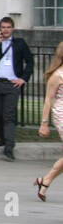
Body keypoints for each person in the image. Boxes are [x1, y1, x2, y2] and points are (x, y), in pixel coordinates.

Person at [0, 15, 33, 161]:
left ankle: (9, 147)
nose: (5, 30)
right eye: (3, 27)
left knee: (9, 115)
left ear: (13, 29)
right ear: (0, 29)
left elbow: (29, 62)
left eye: (8, 27)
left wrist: (23, 78)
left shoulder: (20, 43)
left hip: (12, 84)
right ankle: (3, 138)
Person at [35, 42, 63, 200]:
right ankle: (46, 180)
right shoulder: (57, 75)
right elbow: (48, 100)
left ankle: (45, 180)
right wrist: (44, 124)